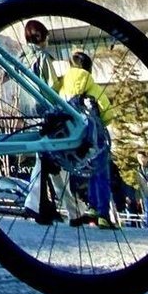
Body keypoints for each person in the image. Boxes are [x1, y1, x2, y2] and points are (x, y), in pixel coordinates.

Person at [58, 49, 115, 226]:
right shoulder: (91, 84)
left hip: (71, 134)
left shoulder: (63, 84)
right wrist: (102, 123)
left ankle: (87, 206)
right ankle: (103, 214)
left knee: (82, 168)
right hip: (93, 132)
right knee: (101, 170)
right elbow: (106, 110)